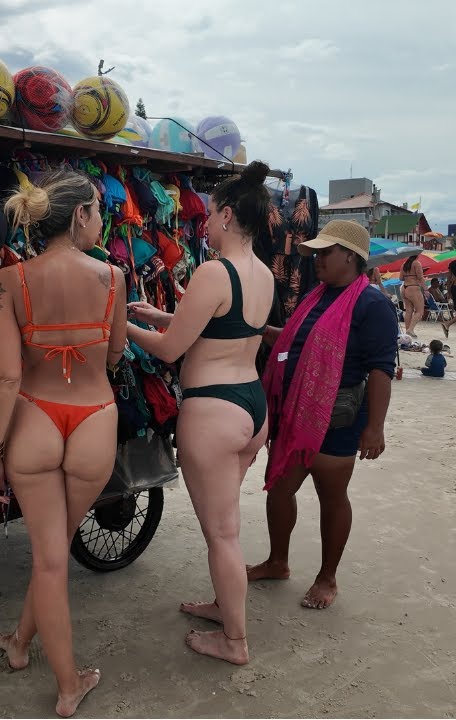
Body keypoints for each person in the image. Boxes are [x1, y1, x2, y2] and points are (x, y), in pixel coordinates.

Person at [0, 169, 127, 717]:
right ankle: (67, 682)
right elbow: (114, 355)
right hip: (94, 418)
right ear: (79, 216)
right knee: (54, 551)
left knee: (49, 557)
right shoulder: (113, 278)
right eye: (96, 210)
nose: (100, 219)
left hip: (35, 418)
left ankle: (26, 649)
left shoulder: (8, 282)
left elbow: (7, 378)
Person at [126, 161, 274, 666]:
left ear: (228, 216)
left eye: (209, 215)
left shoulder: (214, 270)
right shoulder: (263, 273)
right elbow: (222, 326)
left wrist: (122, 327)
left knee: (222, 534)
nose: (204, 224)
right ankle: (223, 606)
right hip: (251, 408)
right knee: (226, 525)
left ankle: (235, 642)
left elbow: (170, 350)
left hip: (213, 412)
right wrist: (160, 313)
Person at [247, 219, 397, 611]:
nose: (315, 260)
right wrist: (259, 330)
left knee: (332, 496)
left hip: (339, 415)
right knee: (278, 486)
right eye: (315, 253)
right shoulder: (317, 296)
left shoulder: (372, 304)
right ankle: (278, 561)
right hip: (293, 411)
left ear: (350, 256)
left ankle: (327, 577)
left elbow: (381, 369)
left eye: (324, 252)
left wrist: (375, 428)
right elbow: (297, 341)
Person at [399, 255, 426, 336]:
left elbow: (401, 278)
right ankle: (410, 329)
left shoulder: (404, 264)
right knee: (420, 311)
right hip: (413, 287)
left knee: (408, 310)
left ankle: (407, 331)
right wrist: (426, 289)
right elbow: (420, 277)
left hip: (404, 288)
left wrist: (408, 276)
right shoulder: (416, 263)